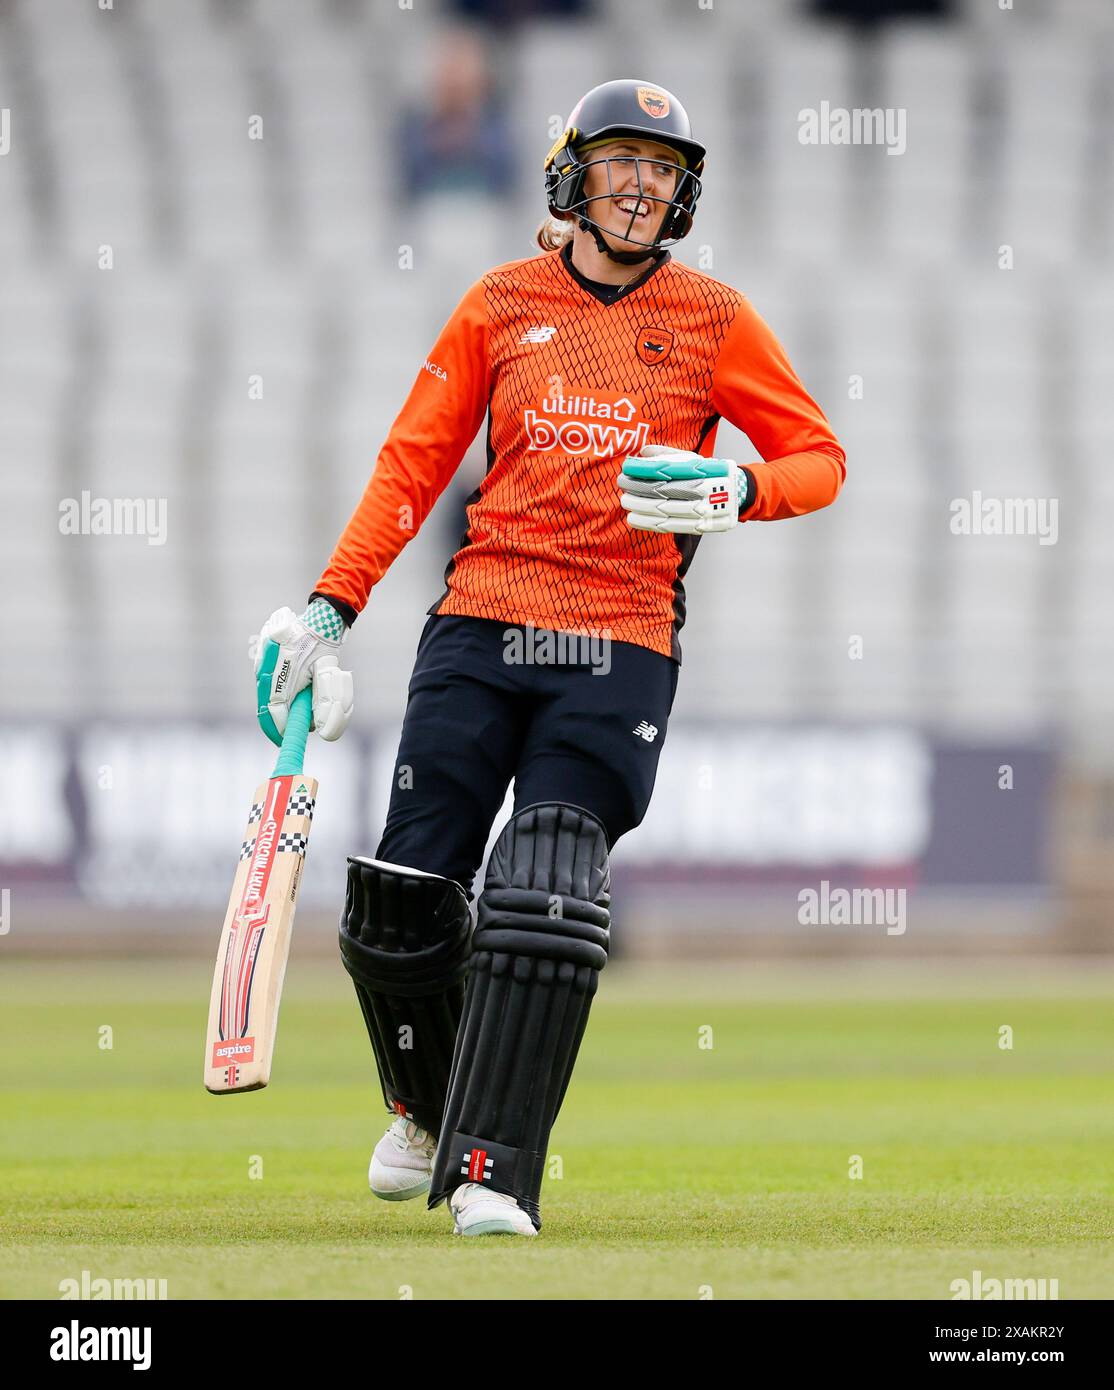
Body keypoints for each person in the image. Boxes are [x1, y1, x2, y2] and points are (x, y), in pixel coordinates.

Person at [252, 79, 846, 1237]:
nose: (642, 187)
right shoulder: (499, 301)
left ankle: (491, 1168)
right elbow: (411, 464)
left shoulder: (716, 317)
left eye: (664, 170)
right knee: (402, 898)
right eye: (622, 162)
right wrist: (328, 611)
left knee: (543, 889)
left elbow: (819, 455)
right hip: (477, 625)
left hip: (617, 638)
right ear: (570, 173)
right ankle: (421, 1111)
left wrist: (740, 485)